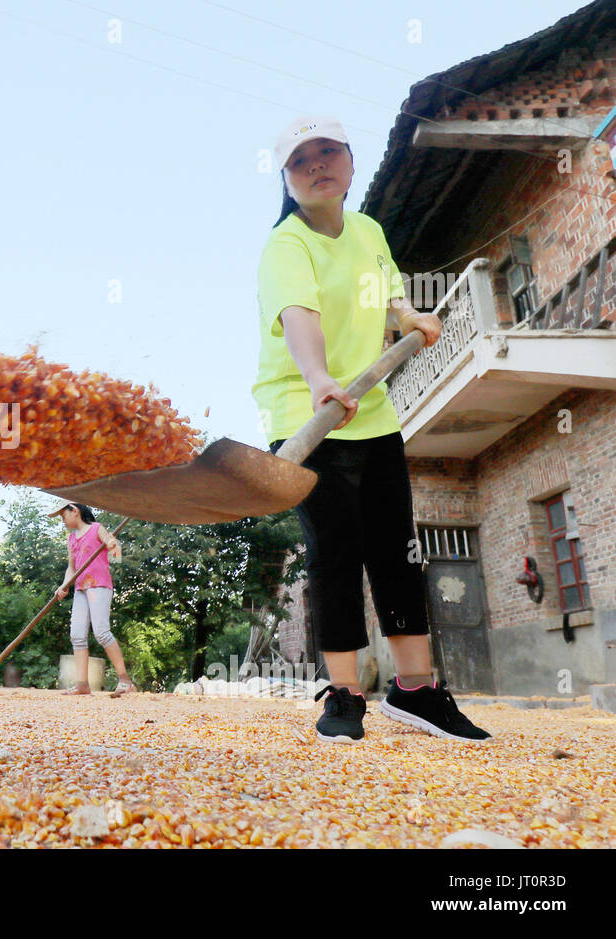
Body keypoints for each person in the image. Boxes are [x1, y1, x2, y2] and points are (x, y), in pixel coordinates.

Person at [254, 116, 491, 743]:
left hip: (373, 414)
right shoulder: (287, 244)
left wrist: (411, 314)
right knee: (335, 550)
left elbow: (387, 294)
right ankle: (344, 695)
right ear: (286, 178)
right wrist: (317, 380)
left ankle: (416, 692)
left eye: (328, 152)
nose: (317, 165)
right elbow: (298, 315)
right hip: (305, 415)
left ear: (350, 162)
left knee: (395, 548)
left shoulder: (368, 231)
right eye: (301, 159)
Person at [50, 500, 133, 697]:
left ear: (75, 511)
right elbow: (71, 568)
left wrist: (113, 545)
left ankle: (125, 680)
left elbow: (117, 554)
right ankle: (82, 684)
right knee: (77, 635)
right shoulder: (71, 539)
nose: (63, 520)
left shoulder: (97, 529)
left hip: (99, 587)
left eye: (63, 515)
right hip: (80, 589)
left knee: (102, 633)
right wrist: (63, 587)